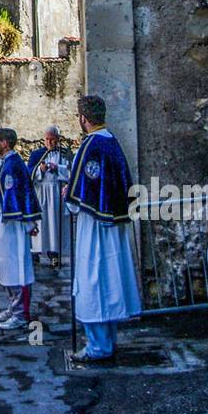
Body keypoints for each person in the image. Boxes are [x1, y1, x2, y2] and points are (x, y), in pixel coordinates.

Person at [67, 95, 141, 365]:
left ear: (83, 118)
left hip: (94, 224)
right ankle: (107, 340)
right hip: (114, 223)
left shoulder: (92, 145)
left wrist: (70, 196)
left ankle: (97, 345)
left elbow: (80, 190)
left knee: (93, 280)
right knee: (110, 279)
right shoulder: (112, 142)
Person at [0, 128, 40, 330]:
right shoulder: (4, 163)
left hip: (13, 223)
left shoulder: (14, 165)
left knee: (18, 267)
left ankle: (21, 313)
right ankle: (13, 305)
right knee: (6, 265)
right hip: (3, 222)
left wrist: (28, 222)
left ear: (5, 143)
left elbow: (21, 194)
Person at [29, 125, 70, 267]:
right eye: (47, 139)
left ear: (57, 140)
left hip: (57, 193)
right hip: (42, 192)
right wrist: (39, 169)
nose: (49, 142)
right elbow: (29, 173)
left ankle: (54, 253)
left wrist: (57, 168)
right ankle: (37, 252)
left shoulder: (64, 153)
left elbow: (71, 171)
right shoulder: (36, 154)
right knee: (42, 223)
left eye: (52, 140)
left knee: (55, 225)